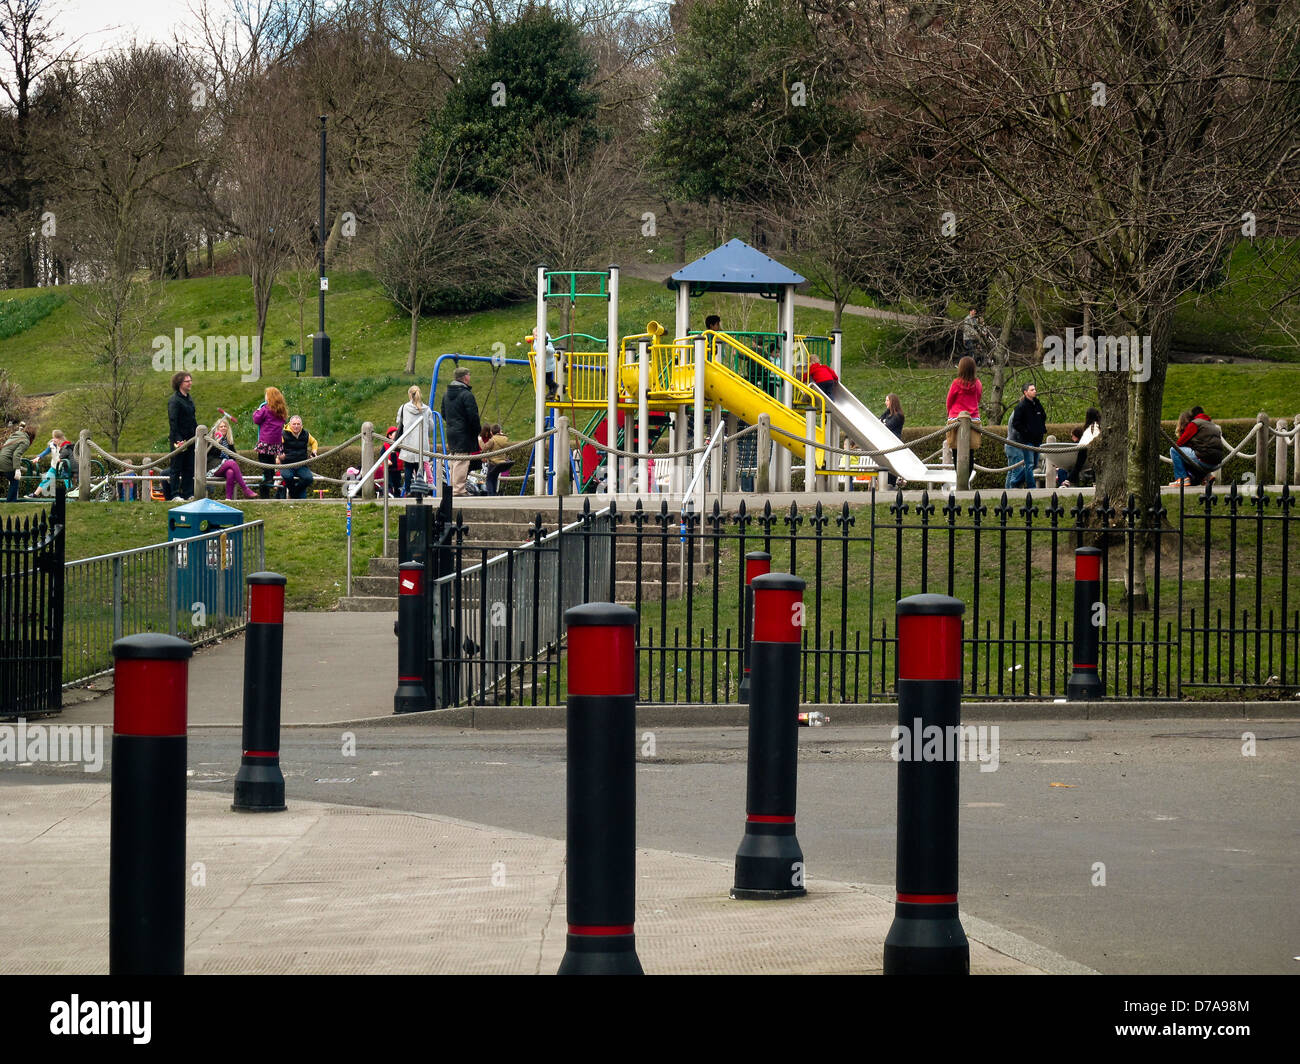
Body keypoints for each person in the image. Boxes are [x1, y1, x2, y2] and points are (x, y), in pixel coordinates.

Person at [441, 368, 481, 497]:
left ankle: (453, 487)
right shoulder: (466, 395)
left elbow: (443, 413)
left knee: (454, 460)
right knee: (462, 461)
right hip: (464, 432)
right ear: (465, 377)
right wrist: (476, 430)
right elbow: (473, 416)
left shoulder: (446, 394)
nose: (470, 377)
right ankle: (458, 490)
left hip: (451, 430)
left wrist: (452, 423)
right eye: (469, 374)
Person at [945, 355, 983, 487]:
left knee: (956, 451)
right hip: (973, 419)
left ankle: (960, 481)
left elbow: (949, 400)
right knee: (970, 452)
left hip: (956, 418)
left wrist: (950, 413)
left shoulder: (956, 383)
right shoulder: (977, 383)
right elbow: (978, 398)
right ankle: (966, 481)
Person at [1170, 406, 1225, 487]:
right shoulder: (1212, 425)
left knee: (1174, 450)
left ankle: (1182, 479)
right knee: (1193, 456)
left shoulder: (1195, 423)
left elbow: (1179, 443)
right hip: (1216, 463)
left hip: (1204, 460)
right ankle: (1207, 477)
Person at [1006, 382, 1047, 489]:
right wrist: (1026, 433)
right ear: (1025, 393)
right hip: (1017, 442)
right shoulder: (1020, 408)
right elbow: (1015, 426)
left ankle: (1014, 484)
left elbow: (1042, 417)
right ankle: (1029, 487)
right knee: (1025, 466)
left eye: (1035, 389)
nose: (1035, 391)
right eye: (1032, 390)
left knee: (1030, 466)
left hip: (1035, 439)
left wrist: (1040, 430)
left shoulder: (1037, 405)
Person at [207, 417, 256, 500]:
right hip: (213, 467)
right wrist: (218, 441)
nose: (223, 428)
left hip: (224, 467)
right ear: (217, 428)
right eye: (221, 427)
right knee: (231, 463)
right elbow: (210, 456)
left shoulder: (229, 441)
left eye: (225, 426)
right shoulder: (212, 440)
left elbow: (234, 456)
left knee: (231, 472)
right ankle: (245, 489)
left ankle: (228, 499)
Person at [397, 384, 433, 495]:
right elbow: (431, 427)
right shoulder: (427, 409)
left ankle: (407, 490)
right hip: (422, 444)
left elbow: (399, 422)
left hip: (408, 443)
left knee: (408, 467)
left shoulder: (404, 408)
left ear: (409, 395)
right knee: (420, 468)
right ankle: (419, 491)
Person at [252, 386, 288, 498]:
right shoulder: (281, 411)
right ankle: (269, 480)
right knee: (270, 464)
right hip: (275, 443)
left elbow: (256, 419)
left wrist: (257, 411)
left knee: (264, 464)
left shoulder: (265, 409)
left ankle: (266, 484)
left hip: (265, 442)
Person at [167, 371, 197, 500]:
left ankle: (188, 493)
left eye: (190, 380)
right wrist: (179, 440)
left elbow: (192, 419)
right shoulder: (174, 401)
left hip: (191, 440)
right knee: (176, 467)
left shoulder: (189, 399)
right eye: (187, 381)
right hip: (179, 440)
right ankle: (174, 494)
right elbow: (173, 421)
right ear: (180, 383)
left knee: (189, 468)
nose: (190, 383)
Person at [277, 415, 318, 498]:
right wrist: (279, 454)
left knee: (309, 478)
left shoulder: (306, 434)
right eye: (294, 424)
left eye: (298, 424)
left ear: (301, 425)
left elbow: (314, 442)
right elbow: (277, 444)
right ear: (290, 424)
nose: (296, 426)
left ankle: (294, 492)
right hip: (287, 464)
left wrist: (314, 451)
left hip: (301, 464)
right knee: (287, 477)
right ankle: (294, 493)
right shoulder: (283, 434)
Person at [1058, 407, 1100, 487]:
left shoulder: (1090, 427)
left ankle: (1068, 481)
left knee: (1078, 465)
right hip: (1089, 448)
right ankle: (1095, 482)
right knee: (1092, 465)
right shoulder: (1097, 426)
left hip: (1084, 449)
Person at [26, 430, 73, 498]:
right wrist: (38, 457)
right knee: (47, 479)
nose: (53, 439)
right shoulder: (52, 445)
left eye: (55, 438)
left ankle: (72, 496)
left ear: (60, 439)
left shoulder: (66, 446)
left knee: (67, 480)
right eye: (53, 437)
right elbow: (45, 452)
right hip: (54, 467)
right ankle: (35, 494)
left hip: (64, 468)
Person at [0, 421, 34, 502]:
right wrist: (17, 470)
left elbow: (20, 430)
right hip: (6, 461)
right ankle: (11, 502)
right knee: (14, 481)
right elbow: (16, 455)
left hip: (1, 458)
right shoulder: (26, 441)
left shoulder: (16, 434)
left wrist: (22, 427)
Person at [880, 394, 905, 488]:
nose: (885, 402)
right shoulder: (888, 413)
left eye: (887, 400)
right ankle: (887, 483)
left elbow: (887, 426)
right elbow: (880, 419)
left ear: (892, 402)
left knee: (892, 463)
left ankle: (891, 483)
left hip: (894, 443)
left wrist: (883, 422)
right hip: (887, 443)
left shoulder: (898, 416)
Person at [482, 423, 512, 496]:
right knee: (494, 478)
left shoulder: (492, 440)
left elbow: (485, 448)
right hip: (502, 462)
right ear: (500, 431)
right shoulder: (505, 439)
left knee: (489, 479)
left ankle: (491, 495)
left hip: (493, 463)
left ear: (491, 432)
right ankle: (494, 493)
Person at [378, 425, 403, 497]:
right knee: (389, 483)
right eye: (395, 435)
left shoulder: (399, 445)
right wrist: (387, 460)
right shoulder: (385, 445)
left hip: (397, 468)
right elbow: (382, 455)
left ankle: (397, 496)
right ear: (390, 436)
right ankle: (388, 494)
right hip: (389, 469)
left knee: (397, 484)